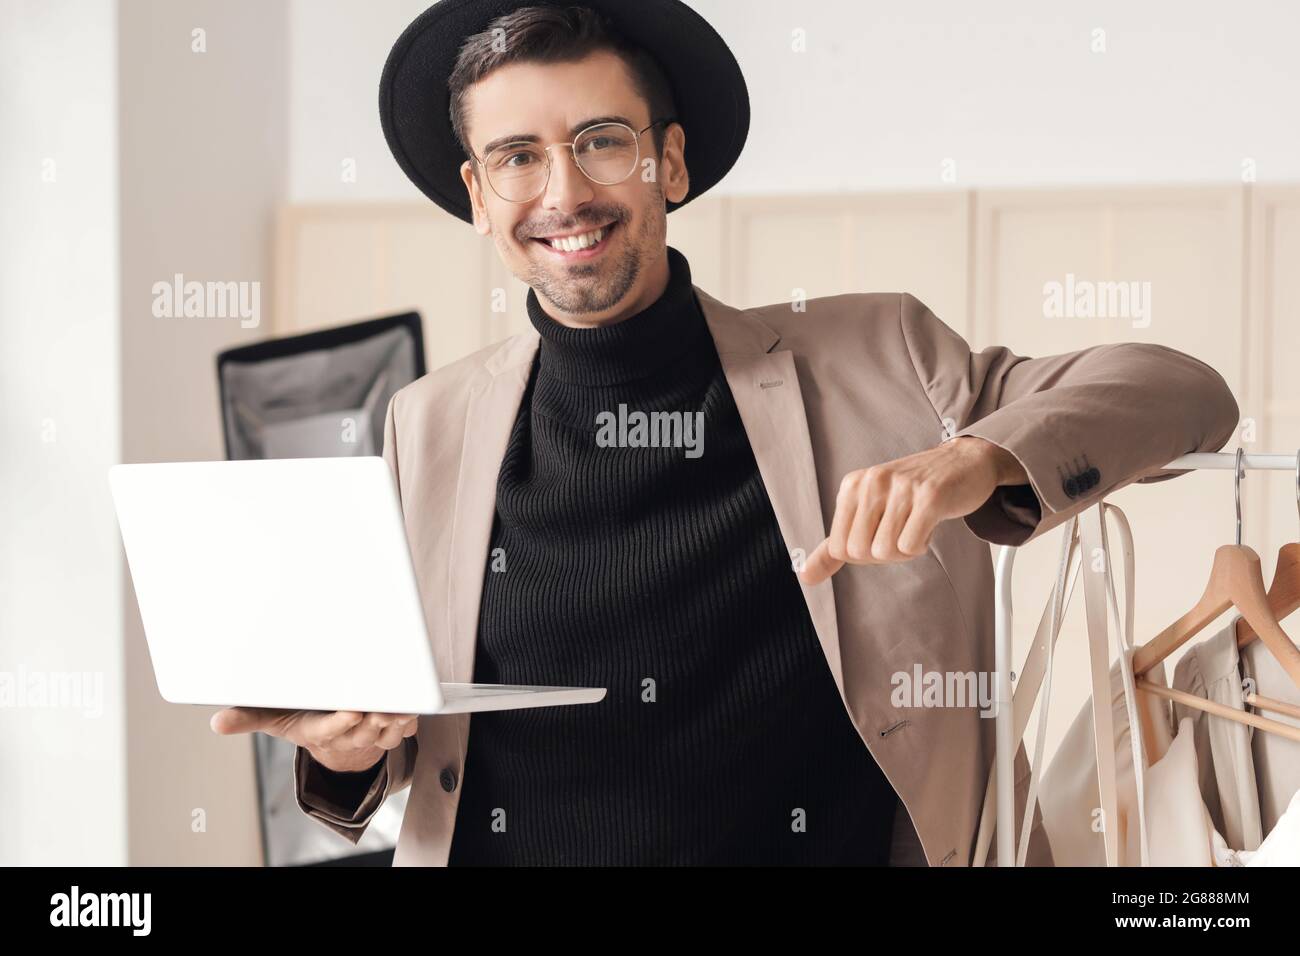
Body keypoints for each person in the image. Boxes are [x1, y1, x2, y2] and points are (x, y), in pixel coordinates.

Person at [211, 1, 1240, 866]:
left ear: (668, 161)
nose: (564, 192)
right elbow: (395, 734)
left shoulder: (883, 355)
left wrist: (977, 456)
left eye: (600, 141)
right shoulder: (424, 422)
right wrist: (344, 751)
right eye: (518, 157)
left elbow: (1178, 388)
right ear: (480, 197)